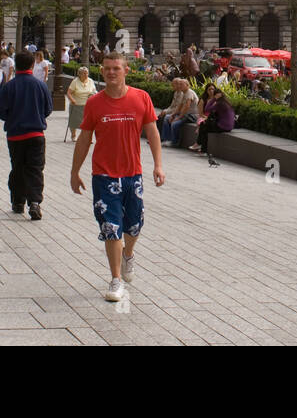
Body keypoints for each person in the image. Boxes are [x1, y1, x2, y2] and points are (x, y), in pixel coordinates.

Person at [70, 52, 165, 303]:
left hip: (133, 173)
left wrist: (158, 165)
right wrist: (74, 172)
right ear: (101, 72)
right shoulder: (94, 103)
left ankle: (128, 254)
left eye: (116, 68)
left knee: (134, 226)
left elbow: (153, 133)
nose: (112, 72)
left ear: (126, 71)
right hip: (104, 175)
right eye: (107, 68)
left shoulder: (141, 98)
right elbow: (84, 139)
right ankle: (115, 280)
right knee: (112, 228)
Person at [0, 50, 52, 219]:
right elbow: (48, 109)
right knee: (35, 169)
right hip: (36, 134)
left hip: (15, 135)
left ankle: (18, 201)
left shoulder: (9, 86)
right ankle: (34, 202)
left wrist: (12, 118)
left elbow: (0, 110)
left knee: (17, 168)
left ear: (16, 65)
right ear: (32, 65)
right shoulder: (40, 86)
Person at [192, 86, 236, 154]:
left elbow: (207, 109)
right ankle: (200, 146)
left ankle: (201, 147)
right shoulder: (226, 102)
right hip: (228, 126)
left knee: (204, 127)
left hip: (223, 127)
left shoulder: (219, 104)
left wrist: (213, 99)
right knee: (204, 125)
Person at [159, 77, 199, 147]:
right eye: (179, 84)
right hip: (186, 114)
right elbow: (179, 106)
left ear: (187, 85)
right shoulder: (184, 93)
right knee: (167, 118)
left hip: (192, 115)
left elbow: (186, 107)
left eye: (182, 84)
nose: (180, 86)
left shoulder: (189, 93)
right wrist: (173, 115)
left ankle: (175, 142)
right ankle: (166, 139)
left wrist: (179, 117)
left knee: (175, 123)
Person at [65, 66, 96, 143]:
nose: (86, 75)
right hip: (76, 104)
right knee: (74, 122)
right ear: (80, 74)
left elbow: (94, 91)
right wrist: (72, 100)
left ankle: (88, 138)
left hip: (88, 105)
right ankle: (73, 136)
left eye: (87, 73)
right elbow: (69, 93)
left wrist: (93, 95)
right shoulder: (75, 81)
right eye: (84, 73)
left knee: (89, 123)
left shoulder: (90, 81)